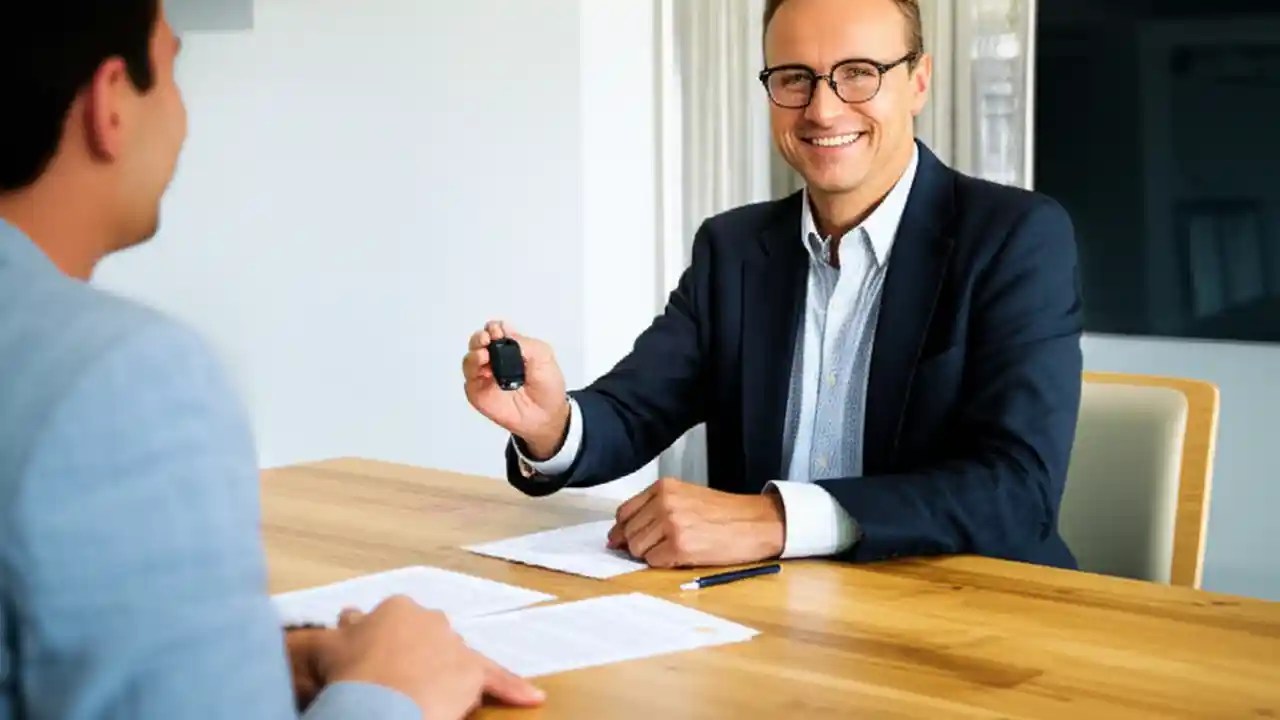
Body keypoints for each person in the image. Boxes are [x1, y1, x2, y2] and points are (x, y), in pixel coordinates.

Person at [0, 2, 544, 718]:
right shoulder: (122, 377)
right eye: (170, 71)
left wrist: (243, 661)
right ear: (110, 106)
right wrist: (387, 690)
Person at [464, 0, 1082, 571]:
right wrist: (550, 426)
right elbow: (635, 409)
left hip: (971, 626)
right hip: (770, 622)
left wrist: (775, 520)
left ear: (918, 80)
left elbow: (1017, 487)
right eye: (794, 78)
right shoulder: (733, 249)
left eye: (859, 72)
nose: (822, 109)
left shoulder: (1016, 237)